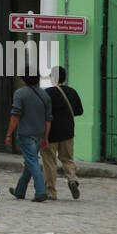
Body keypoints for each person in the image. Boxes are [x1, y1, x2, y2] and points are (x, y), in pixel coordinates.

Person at [6, 73, 52, 202]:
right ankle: (20, 191)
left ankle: (41, 192)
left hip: (25, 134)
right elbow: (48, 119)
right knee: (29, 163)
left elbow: (15, 116)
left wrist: (9, 134)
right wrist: (46, 137)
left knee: (32, 162)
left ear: (24, 80)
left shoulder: (20, 94)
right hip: (39, 134)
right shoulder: (45, 95)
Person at [40, 65, 83, 200]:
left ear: (53, 78)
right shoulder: (72, 92)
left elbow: (42, 112)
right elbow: (79, 111)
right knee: (67, 159)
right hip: (68, 131)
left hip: (50, 132)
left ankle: (51, 192)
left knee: (49, 162)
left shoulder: (47, 93)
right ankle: (72, 179)